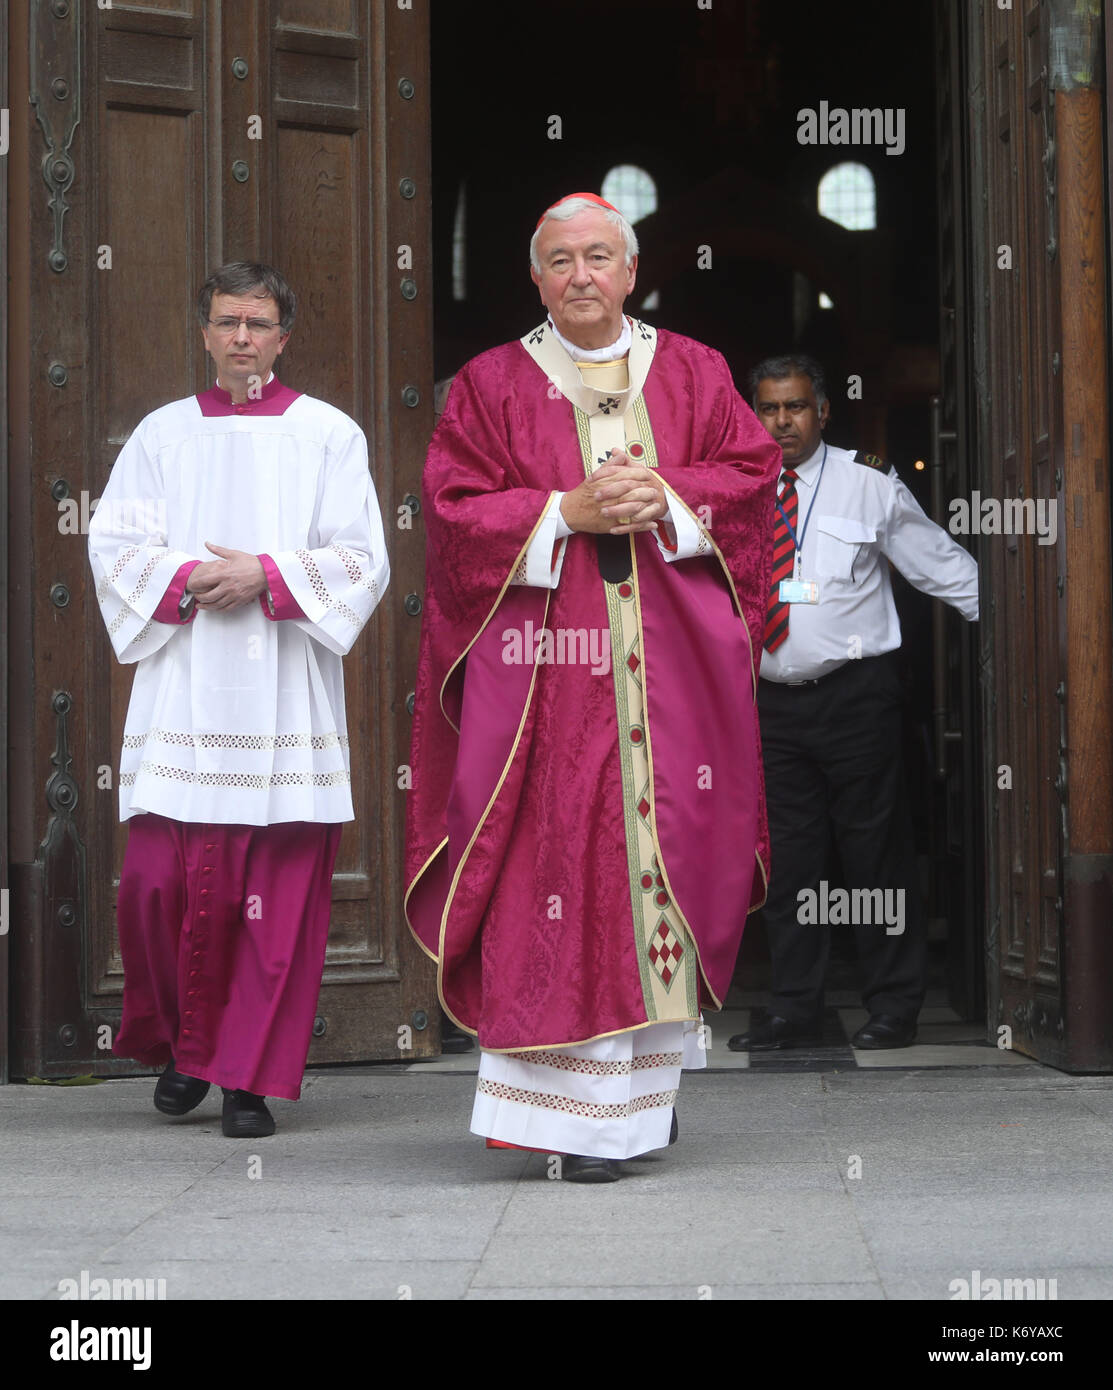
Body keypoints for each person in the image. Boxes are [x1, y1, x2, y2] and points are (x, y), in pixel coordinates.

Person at [405, 193, 781, 1181]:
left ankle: (632, 1118)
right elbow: (451, 516)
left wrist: (670, 496)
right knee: (555, 873)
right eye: (560, 260)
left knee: (657, 873)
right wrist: (560, 510)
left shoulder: (694, 369)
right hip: (547, 689)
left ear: (631, 267)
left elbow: (753, 476)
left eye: (598, 257)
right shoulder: (490, 383)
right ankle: (566, 1126)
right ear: (535, 277)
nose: (580, 275)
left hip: (670, 682)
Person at [88, 262, 389, 1136]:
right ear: (207, 333)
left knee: (275, 902)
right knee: (155, 888)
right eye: (228, 323)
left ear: (284, 337)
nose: (243, 339)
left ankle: (246, 1078)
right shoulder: (162, 435)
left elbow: (363, 557)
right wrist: (192, 577)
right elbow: (113, 543)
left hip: (284, 696)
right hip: (184, 689)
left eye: (259, 324)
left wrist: (264, 573)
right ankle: (185, 1049)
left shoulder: (329, 435)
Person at [729, 354, 978, 1053]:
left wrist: (1019, 625)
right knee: (790, 862)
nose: (782, 421)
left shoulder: (866, 482)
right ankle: (792, 1008)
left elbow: (936, 563)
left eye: (796, 407)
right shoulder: (735, 487)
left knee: (874, 857)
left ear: (823, 411)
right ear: (754, 413)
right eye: (770, 408)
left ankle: (893, 1005)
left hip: (855, 699)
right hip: (771, 705)